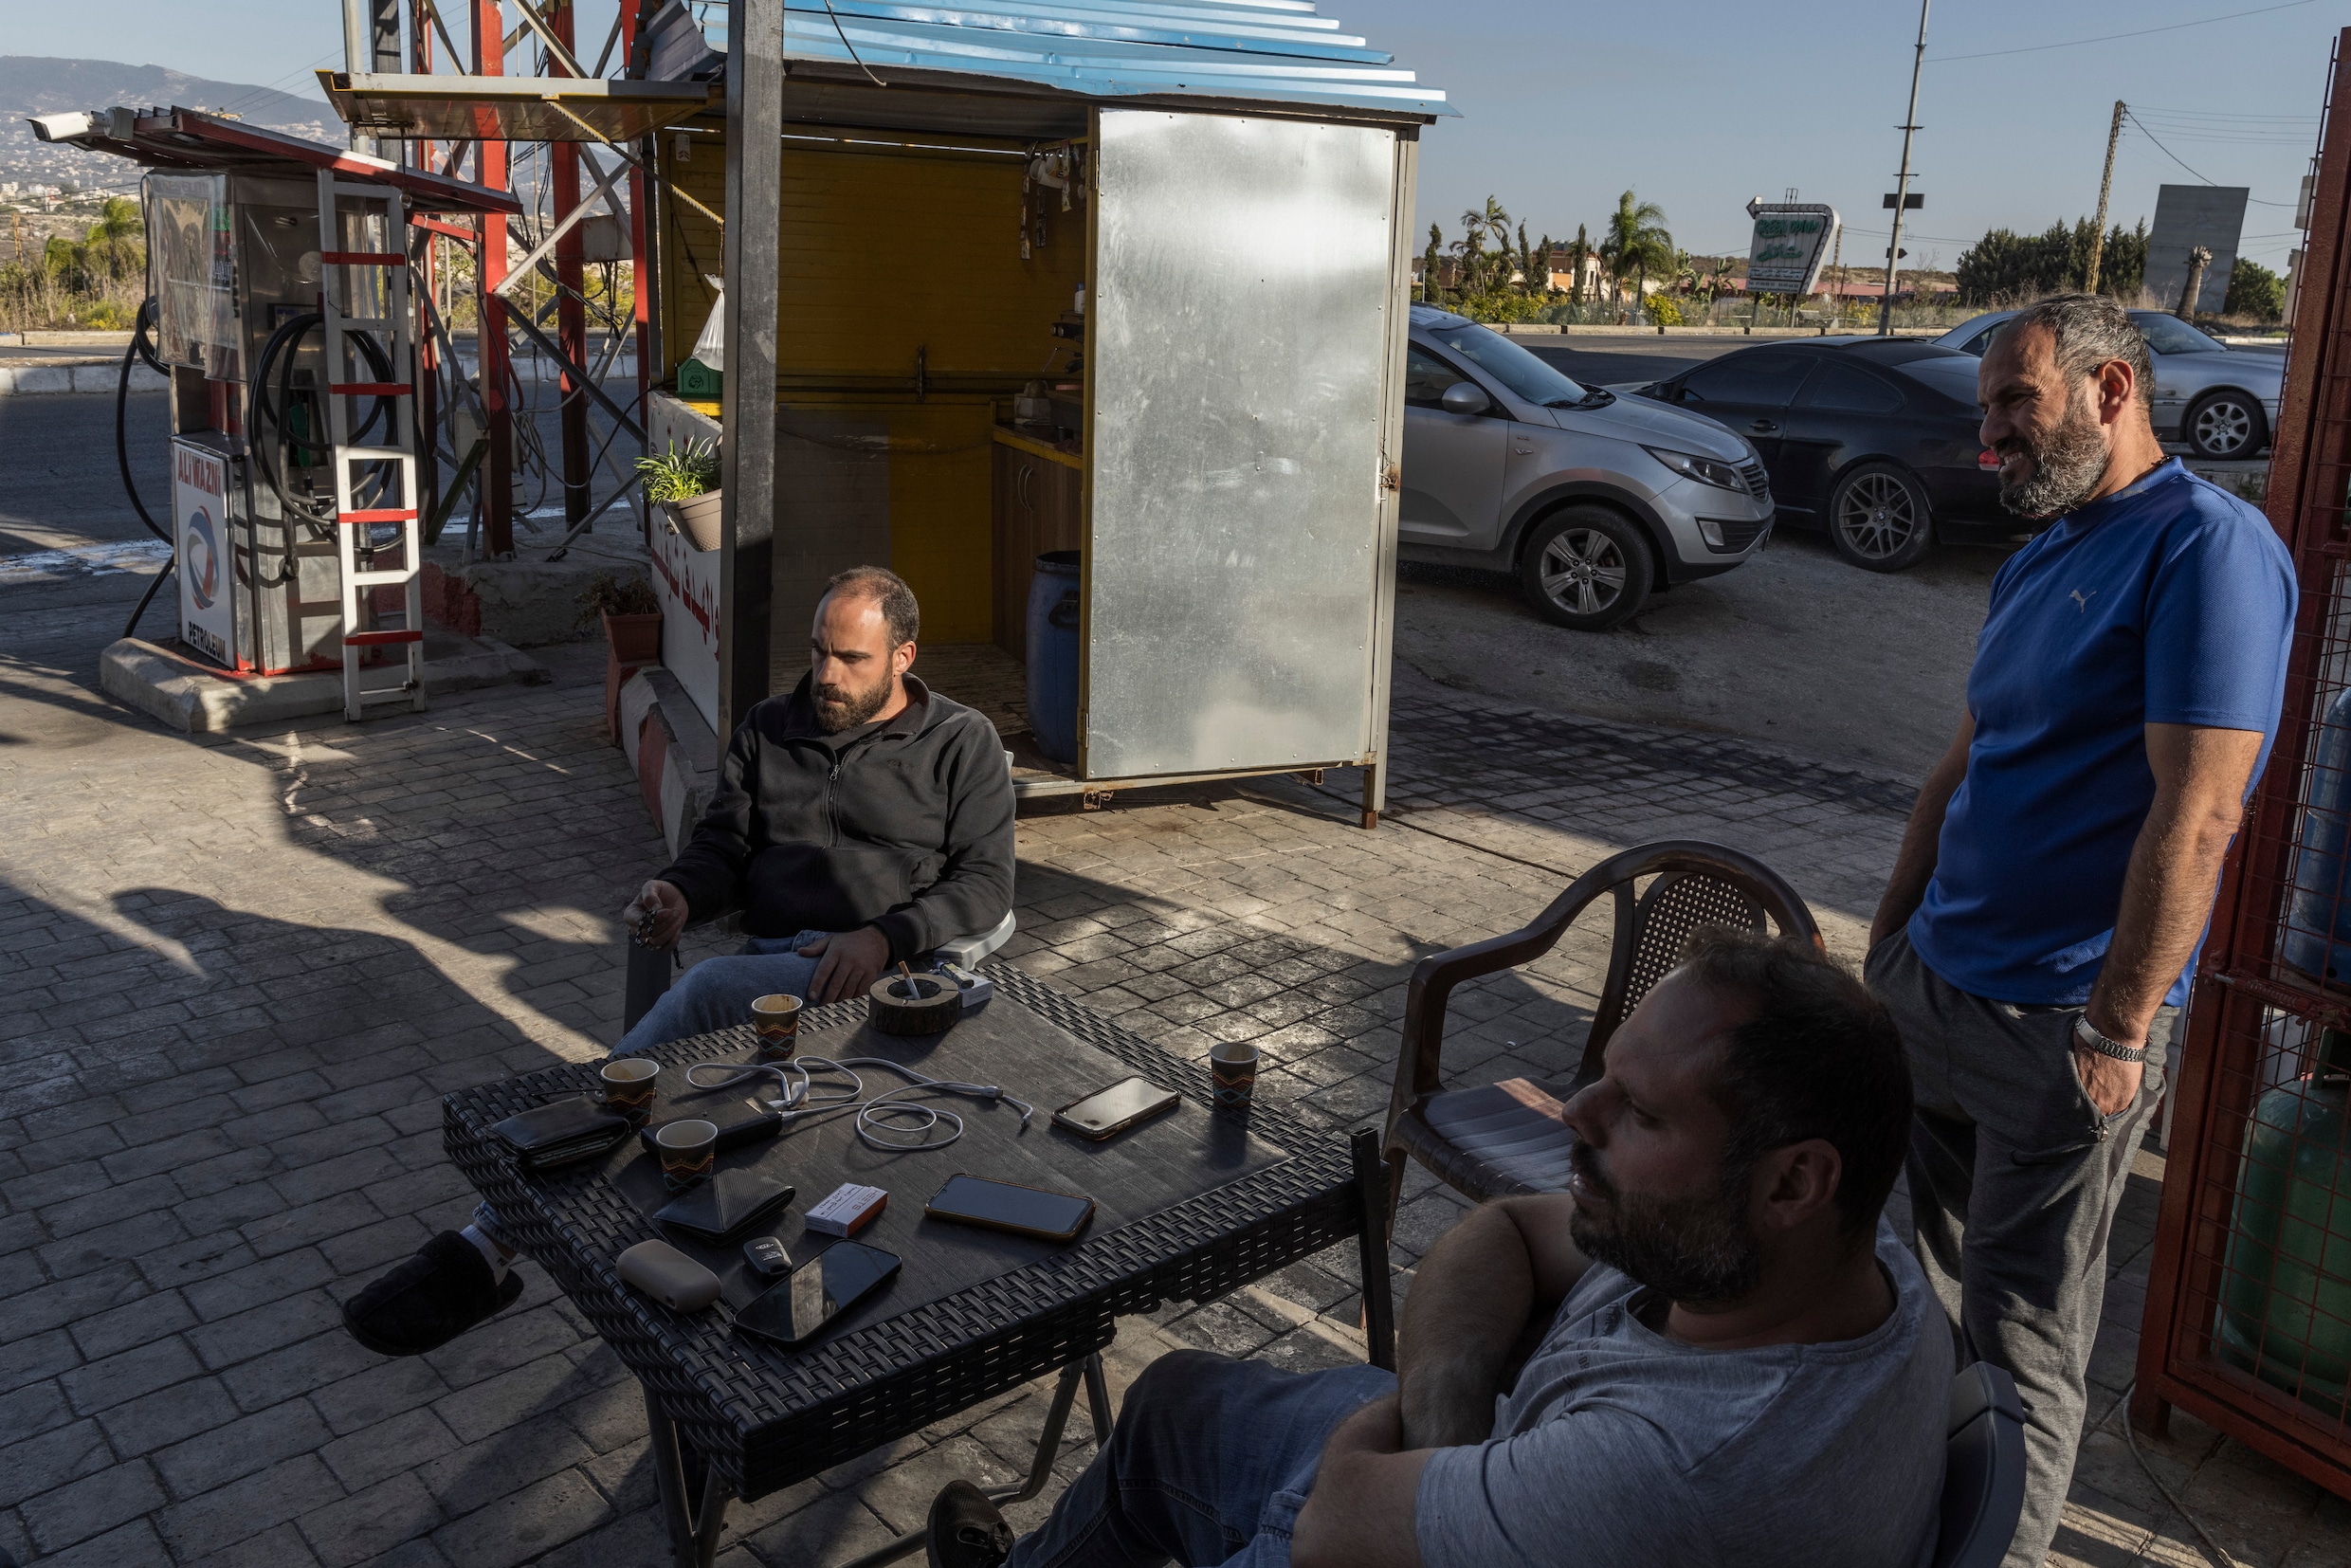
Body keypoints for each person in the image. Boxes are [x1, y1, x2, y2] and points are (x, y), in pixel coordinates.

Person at [926, 929, 1951, 1568]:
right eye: (1602, 1076)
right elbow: (1503, 1228)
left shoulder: (1669, 1473)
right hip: (1471, 1480)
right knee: (1168, 1405)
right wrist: (1452, 1422)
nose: (1576, 1115)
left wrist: (1433, 1460)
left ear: (1790, 1180)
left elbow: (1336, 1526)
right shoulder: (1844, 1258)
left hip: (1393, 1523)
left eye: (1638, 1112)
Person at [1865, 292, 2295, 1567]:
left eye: (2017, 400)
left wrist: (2117, 1028)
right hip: (1935, 987)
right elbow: (1964, 763)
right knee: (1918, 1302)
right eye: (1989, 402)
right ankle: (1916, 1519)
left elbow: (2202, 810)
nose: (1992, 430)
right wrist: (1891, 941)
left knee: (2025, 1343)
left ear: (2111, 392)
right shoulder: (2041, 551)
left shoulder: (2204, 548)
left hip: (2058, 1030)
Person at [341, 566, 1015, 1356]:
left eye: (852, 660)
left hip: (882, 981)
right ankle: (561, 1225)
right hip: (773, 963)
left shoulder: (960, 741)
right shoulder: (771, 726)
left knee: (699, 998)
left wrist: (887, 937)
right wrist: (680, 893)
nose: (827, 677)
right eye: (818, 652)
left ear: (903, 655)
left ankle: (491, 1240)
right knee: (682, 1050)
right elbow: (722, 848)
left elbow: (987, 883)